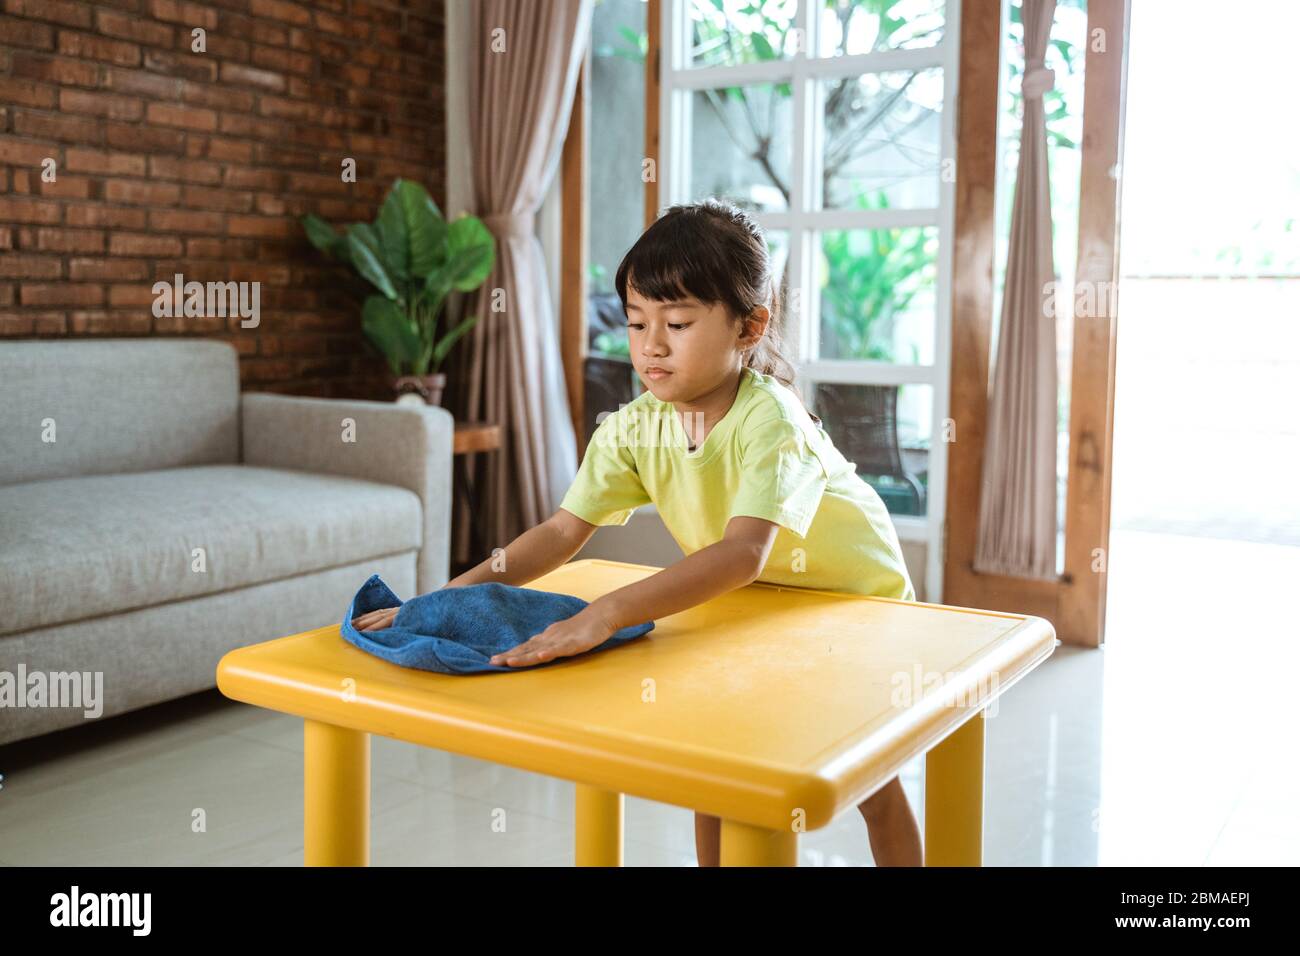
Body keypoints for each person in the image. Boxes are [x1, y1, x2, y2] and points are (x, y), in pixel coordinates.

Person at [352, 197, 922, 866]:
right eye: (636, 322)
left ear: (750, 326)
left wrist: (609, 610)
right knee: (719, 772)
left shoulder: (773, 422)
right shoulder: (631, 427)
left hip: (858, 602)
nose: (651, 345)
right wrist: (444, 600)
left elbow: (742, 551)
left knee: (874, 787)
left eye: (677, 322)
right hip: (758, 603)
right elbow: (562, 532)